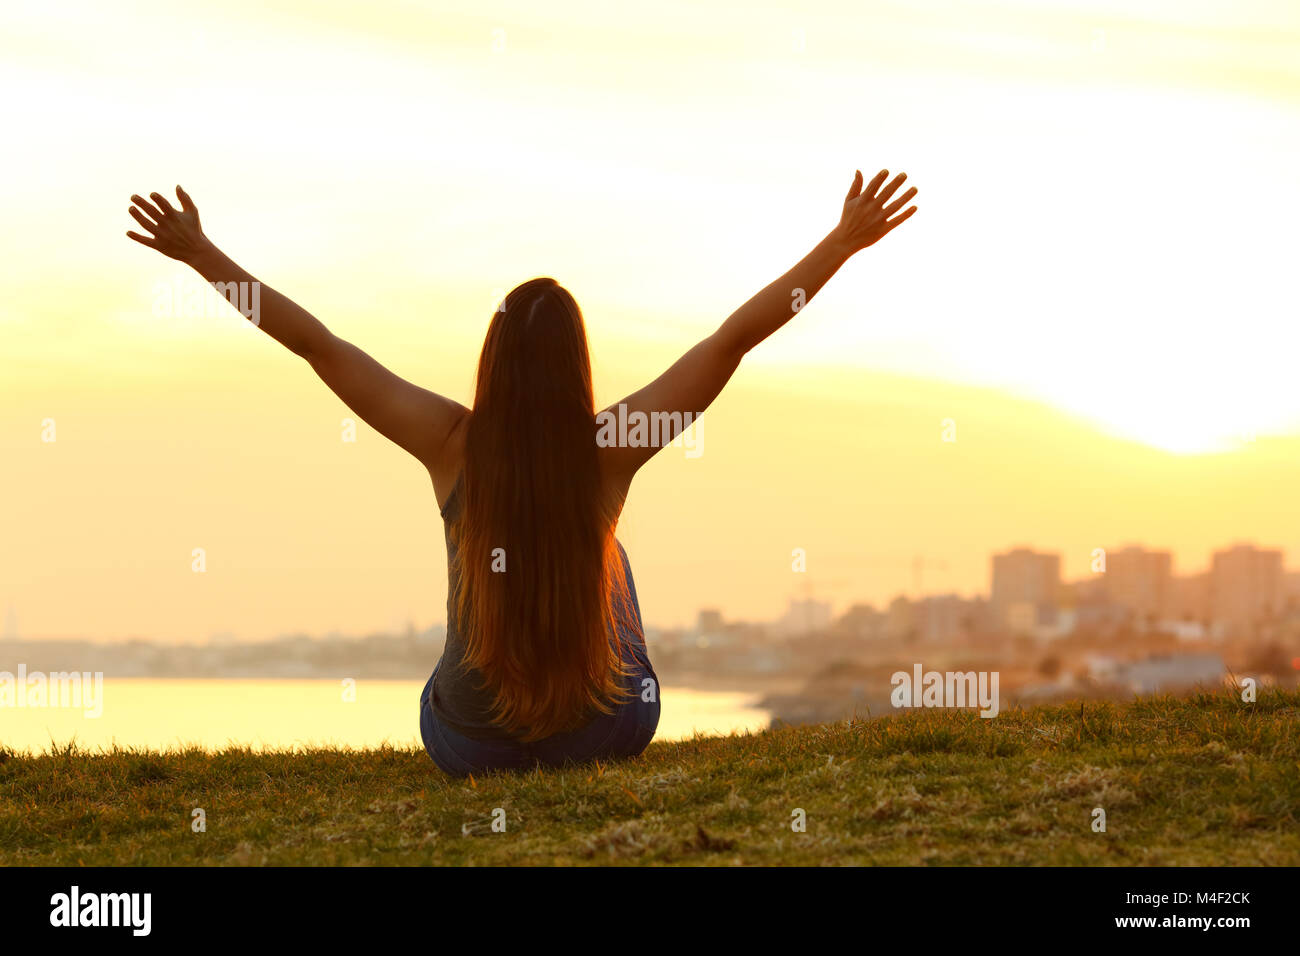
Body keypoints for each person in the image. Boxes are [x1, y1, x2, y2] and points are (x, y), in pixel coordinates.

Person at [125, 169, 918, 774]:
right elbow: (729, 343)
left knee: (575, 556)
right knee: (608, 545)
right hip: (605, 733)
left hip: (469, 744)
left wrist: (203, 257)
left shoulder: (447, 442)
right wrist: (840, 245)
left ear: (493, 363)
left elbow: (318, 345)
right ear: (576, 368)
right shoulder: (614, 446)